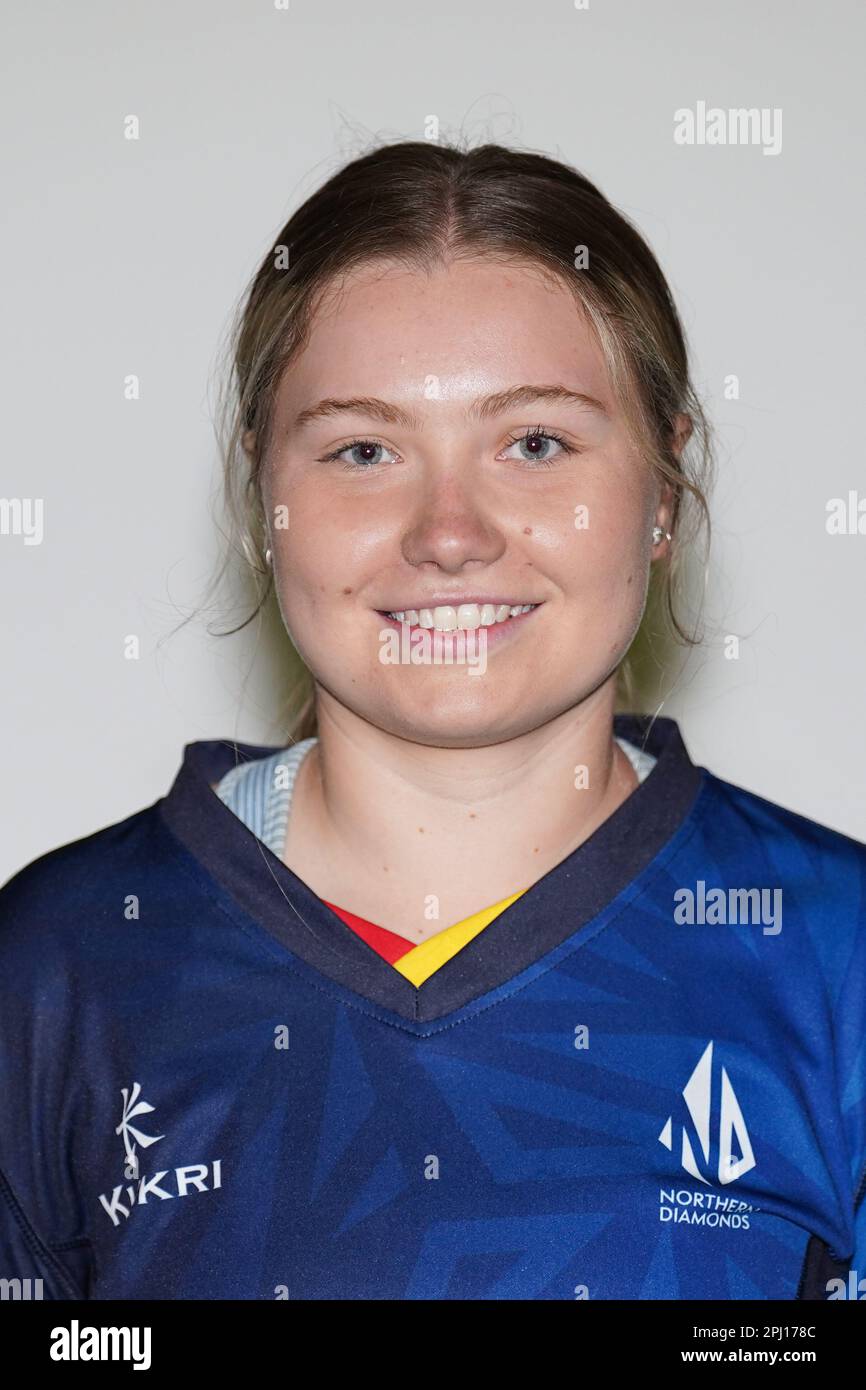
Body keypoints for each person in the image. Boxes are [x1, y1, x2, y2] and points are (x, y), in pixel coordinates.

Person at [1, 141, 863, 1301]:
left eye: (534, 443)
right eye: (363, 450)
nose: (448, 533)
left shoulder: (832, 957)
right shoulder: (62, 963)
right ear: (264, 496)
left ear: (662, 489)